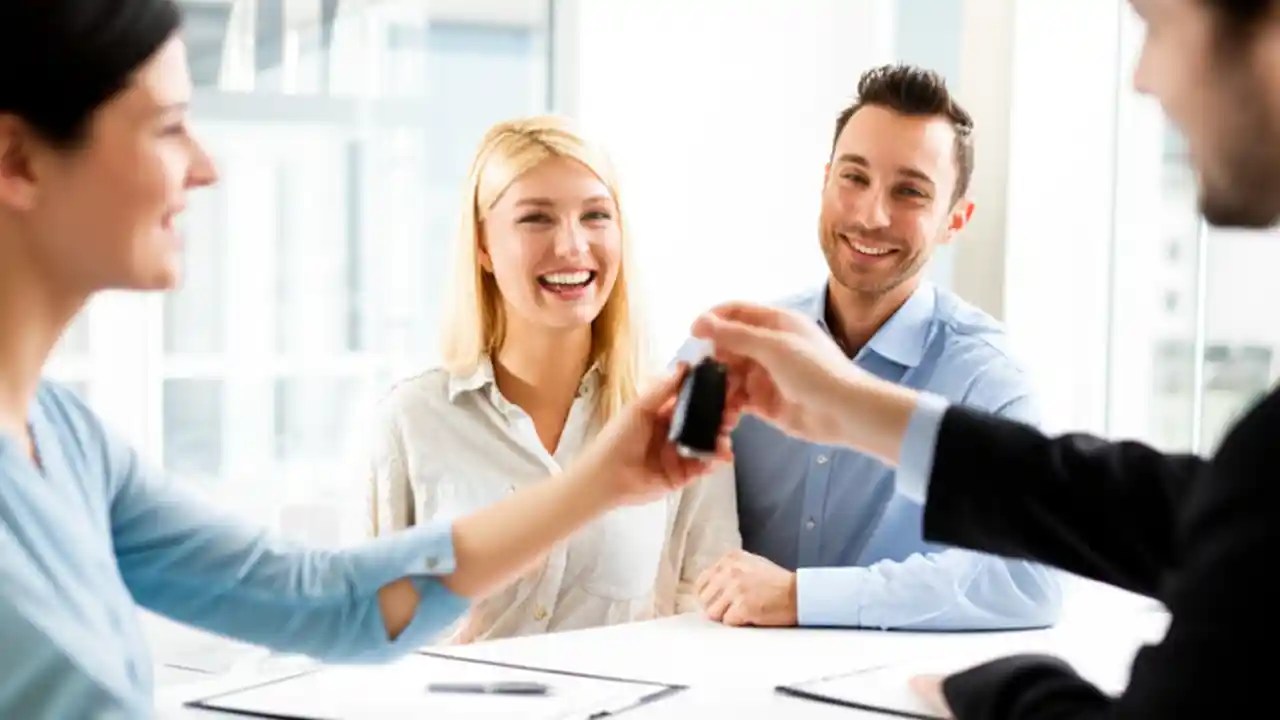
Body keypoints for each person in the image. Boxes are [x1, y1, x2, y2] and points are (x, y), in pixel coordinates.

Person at [0, 2, 734, 717]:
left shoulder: (66, 443)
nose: (205, 166)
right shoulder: (412, 413)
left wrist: (602, 482)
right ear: (18, 159)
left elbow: (329, 599)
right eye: (166, 127)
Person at [691, 0, 1280, 715]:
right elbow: (1176, 508)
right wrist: (857, 408)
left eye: (1156, 26)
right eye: (854, 177)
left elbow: (1050, 580)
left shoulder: (986, 367)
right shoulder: (744, 344)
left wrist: (994, 690)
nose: (1141, 80)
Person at [689, 64, 1061, 631]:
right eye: (854, 178)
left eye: (909, 191)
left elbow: (1027, 580)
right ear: (825, 181)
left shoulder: (988, 380)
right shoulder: (739, 345)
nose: (870, 215)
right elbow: (643, 488)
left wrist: (802, 596)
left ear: (954, 220)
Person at [362, 115, 740, 643]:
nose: (571, 246)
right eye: (536, 219)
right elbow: (370, 632)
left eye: (595, 216)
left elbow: (710, 614)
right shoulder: (412, 420)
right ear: (483, 248)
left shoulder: (672, 418)